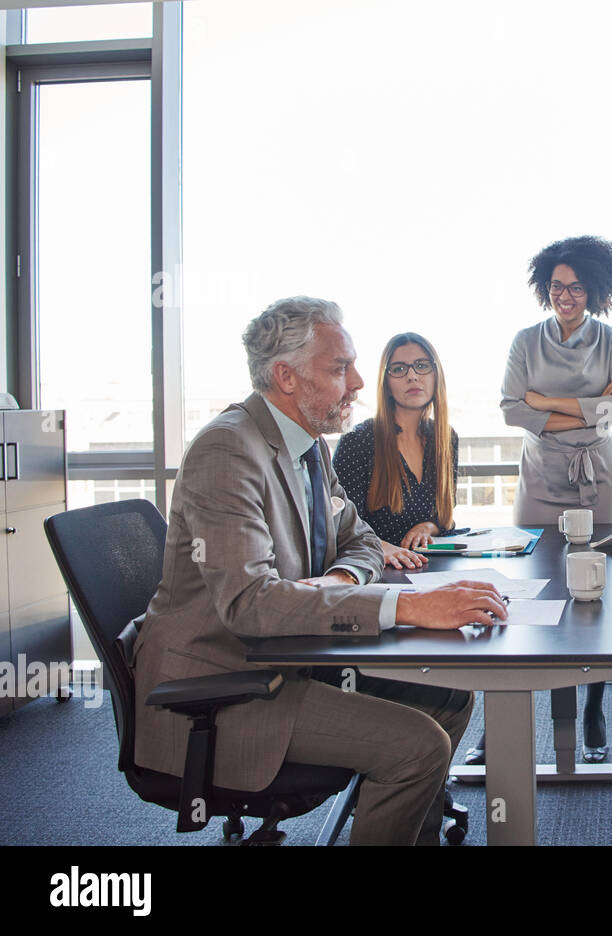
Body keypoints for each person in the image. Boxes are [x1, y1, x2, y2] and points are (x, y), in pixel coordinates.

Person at [130, 297, 508, 846]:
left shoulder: (309, 447)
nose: (358, 381)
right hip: (224, 684)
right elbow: (250, 603)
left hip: (289, 656)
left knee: (449, 695)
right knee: (418, 745)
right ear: (286, 376)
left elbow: (359, 540)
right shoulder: (228, 451)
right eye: (339, 368)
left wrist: (340, 580)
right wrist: (405, 605)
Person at [494, 234, 612, 764]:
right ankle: (536, 704)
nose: (566, 296)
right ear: (544, 288)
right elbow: (512, 409)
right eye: (557, 286)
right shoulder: (525, 340)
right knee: (538, 586)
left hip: (599, 472)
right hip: (541, 473)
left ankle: (593, 707)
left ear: (593, 290)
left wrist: (547, 401)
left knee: (597, 588)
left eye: (576, 287)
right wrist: (586, 406)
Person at [335, 332, 459, 571]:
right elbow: (342, 526)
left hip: (431, 569)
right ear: (386, 384)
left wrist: (427, 527)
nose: (412, 376)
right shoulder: (357, 441)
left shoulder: (445, 438)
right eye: (399, 369)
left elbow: (445, 517)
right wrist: (380, 546)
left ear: (436, 375)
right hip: (376, 571)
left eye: (422, 366)